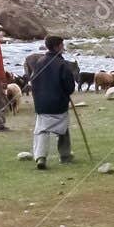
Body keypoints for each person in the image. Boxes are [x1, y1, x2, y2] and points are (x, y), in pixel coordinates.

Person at [22, 35, 76, 169]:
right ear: (57, 47)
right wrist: (66, 92)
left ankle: (41, 157)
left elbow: (33, 81)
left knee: (42, 130)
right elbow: (69, 87)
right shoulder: (63, 64)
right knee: (63, 129)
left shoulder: (39, 62)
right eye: (62, 45)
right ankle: (65, 155)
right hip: (59, 104)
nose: (63, 48)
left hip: (42, 104)